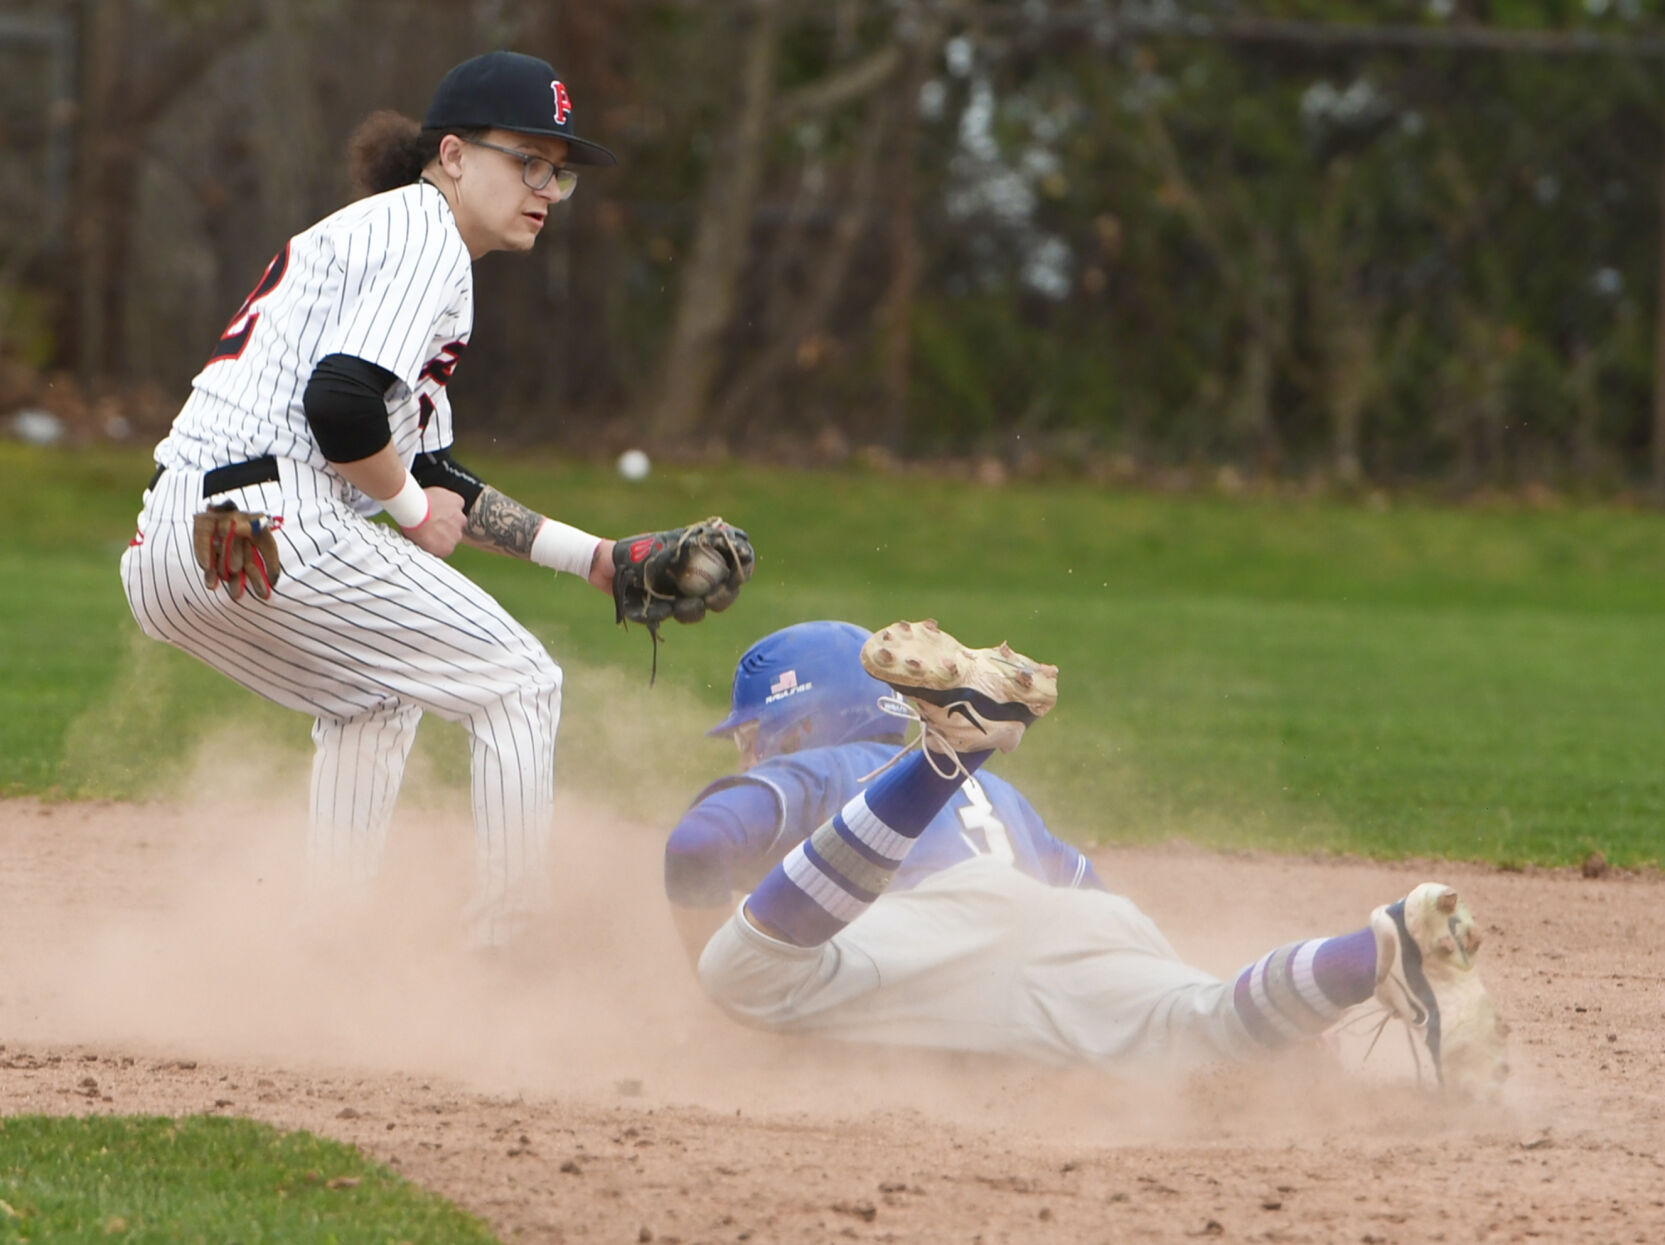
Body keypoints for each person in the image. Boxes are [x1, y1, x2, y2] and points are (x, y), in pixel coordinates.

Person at [121, 51, 642, 950]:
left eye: (557, 172)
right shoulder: (424, 238)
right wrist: (404, 509)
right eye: (526, 160)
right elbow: (341, 405)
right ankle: (511, 947)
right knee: (519, 682)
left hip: (187, 543)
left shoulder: (385, 237)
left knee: (375, 697)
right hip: (271, 521)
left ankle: (329, 949)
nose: (546, 188)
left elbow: (435, 478)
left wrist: (590, 557)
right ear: (451, 154)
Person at [664, 618, 1510, 1099]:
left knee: (737, 975)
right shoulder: (1011, 810)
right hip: (1068, 919)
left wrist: (712, 985)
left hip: (930, 919)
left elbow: (696, 844)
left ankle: (944, 752)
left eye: (753, 734)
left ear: (802, 723)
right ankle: (1373, 952)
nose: (749, 753)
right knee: (1199, 1027)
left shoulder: (821, 766)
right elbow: (1091, 905)